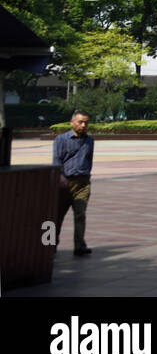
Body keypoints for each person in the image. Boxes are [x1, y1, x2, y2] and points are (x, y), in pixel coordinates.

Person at [52, 110, 94, 256]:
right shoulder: (61, 139)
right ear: (72, 123)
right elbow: (56, 161)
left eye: (86, 123)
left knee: (80, 214)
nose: (83, 125)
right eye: (80, 122)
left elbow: (89, 159)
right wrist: (61, 179)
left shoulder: (89, 140)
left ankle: (79, 245)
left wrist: (86, 175)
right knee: (54, 216)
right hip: (64, 184)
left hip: (82, 184)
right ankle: (49, 245)